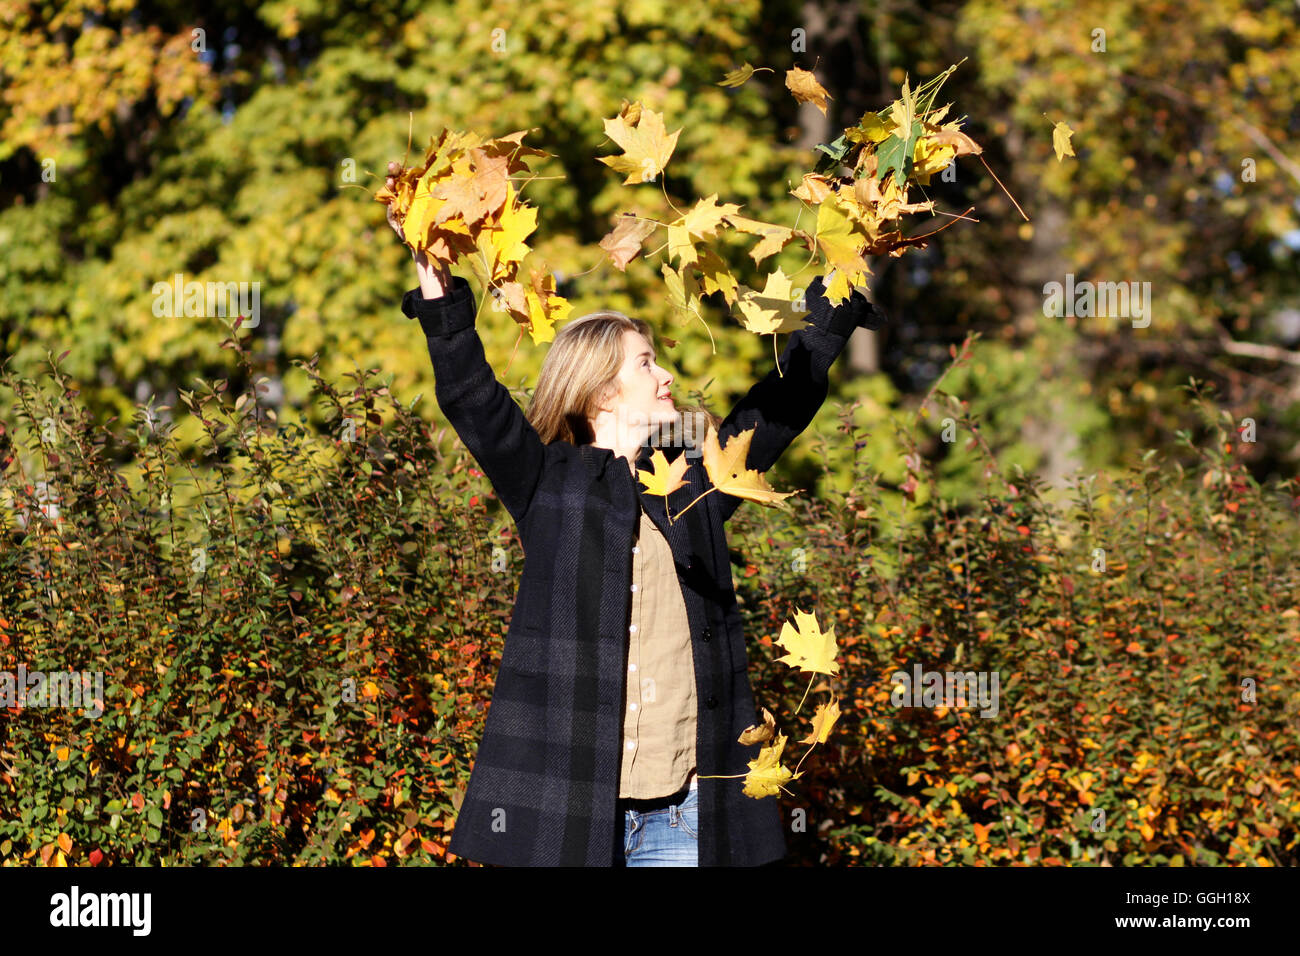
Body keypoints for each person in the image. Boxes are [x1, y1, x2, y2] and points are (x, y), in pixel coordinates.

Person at [386, 180, 889, 866]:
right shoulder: (546, 480)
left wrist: (842, 279)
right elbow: (472, 397)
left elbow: (779, 407)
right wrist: (437, 287)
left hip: (685, 806)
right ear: (599, 389)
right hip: (570, 804)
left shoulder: (693, 474)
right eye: (646, 364)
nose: (665, 379)